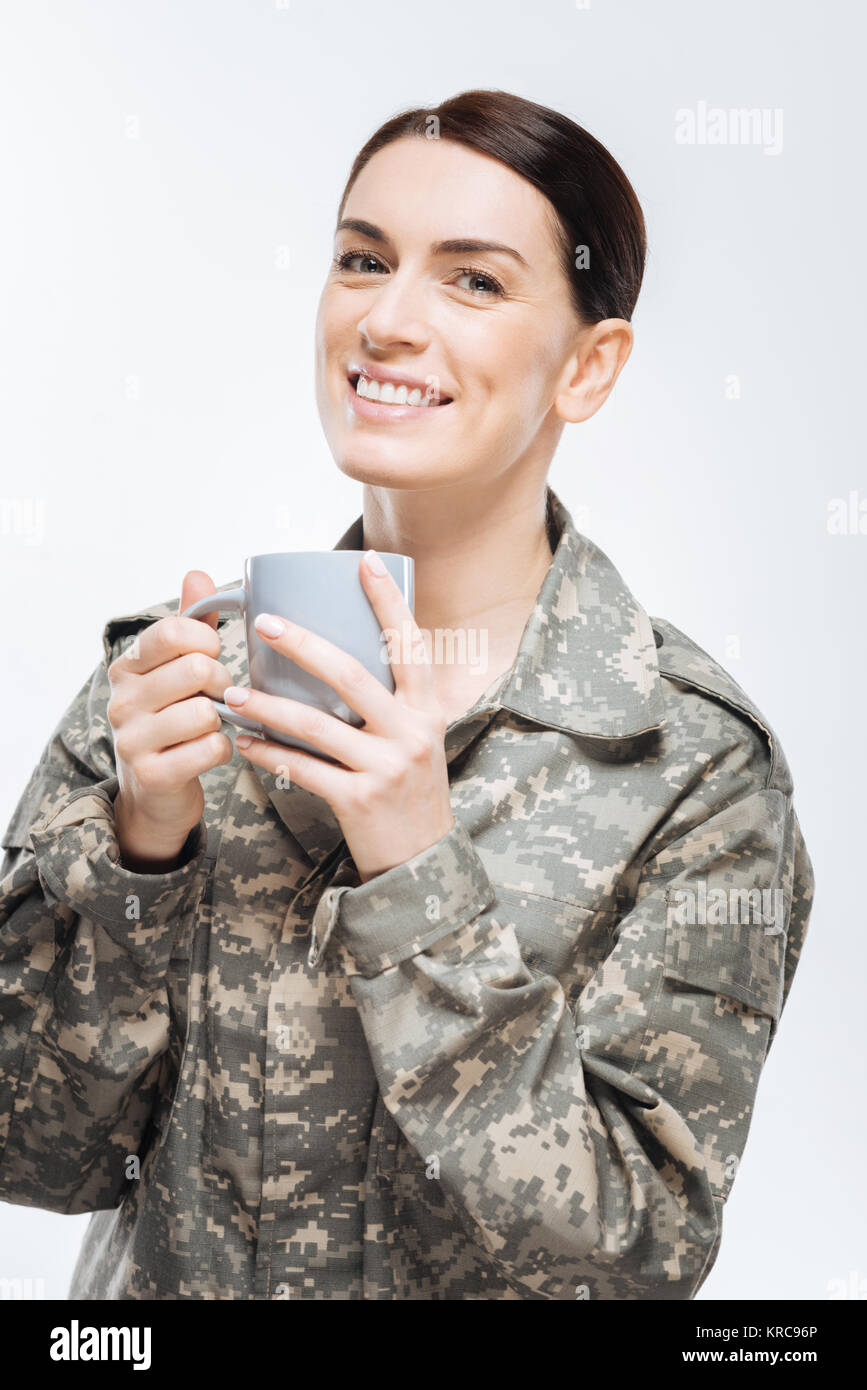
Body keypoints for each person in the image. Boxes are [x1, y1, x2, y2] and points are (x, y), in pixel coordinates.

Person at [0, 89, 813, 1300]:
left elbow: (632, 1262)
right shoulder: (171, 683)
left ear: (589, 366)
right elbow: (30, 1153)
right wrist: (140, 857)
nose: (386, 320)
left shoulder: (690, 765)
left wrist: (419, 876)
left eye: (474, 281)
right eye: (362, 260)